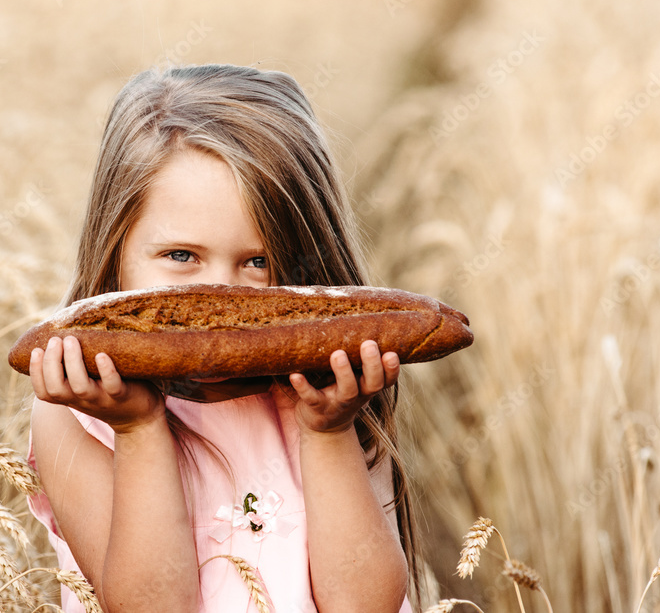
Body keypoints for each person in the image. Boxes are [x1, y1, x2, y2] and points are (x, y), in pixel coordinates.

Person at [27, 64, 416, 612]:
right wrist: (138, 428)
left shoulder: (327, 392)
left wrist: (328, 435)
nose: (221, 296)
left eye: (258, 261)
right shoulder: (75, 414)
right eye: (181, 256)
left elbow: (364, 606)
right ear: (115, 252)